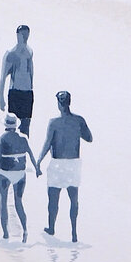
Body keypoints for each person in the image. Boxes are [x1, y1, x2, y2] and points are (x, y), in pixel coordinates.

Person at [38, 91, 92, 242]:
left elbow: (47, 144)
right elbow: (89, 138)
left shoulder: (53, 122)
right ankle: (74, 232)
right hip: (73, 163)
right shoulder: (79, 120)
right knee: (73, 199)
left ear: (59, 104)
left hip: (57, 163)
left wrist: (39, 161)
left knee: (53, 199)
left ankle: (51, 227)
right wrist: (75, 131)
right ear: (69, 102)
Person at [0, 113, 42, 242]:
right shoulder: (23, 138)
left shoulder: (2, 139)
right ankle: (25, 229)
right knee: (18, 202)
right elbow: (31, 155)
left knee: (3, 203)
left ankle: (6, 233)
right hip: (20, 174)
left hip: (5, 173)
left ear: (6, 125)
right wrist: (37, 169)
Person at [0, 25, 35, 136]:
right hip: (15, 93)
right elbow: (3, 77)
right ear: (18, 35)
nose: (25, 37)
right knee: (12, 126)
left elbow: (31, 72)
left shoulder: (30, 52)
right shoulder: (11, 54)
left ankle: (24, 145)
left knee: (26, 125)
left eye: (27, 34)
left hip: (28, 93)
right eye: (23, 34)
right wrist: (1, 98)